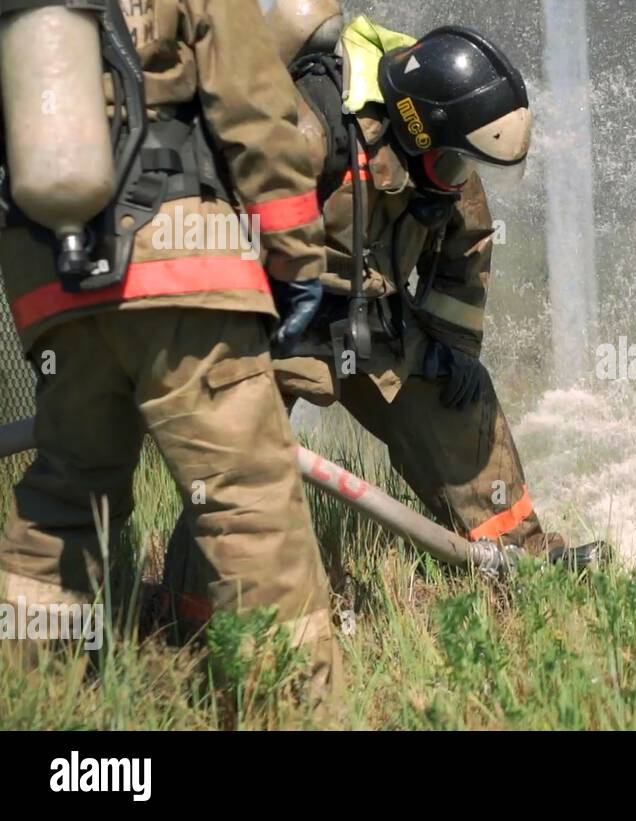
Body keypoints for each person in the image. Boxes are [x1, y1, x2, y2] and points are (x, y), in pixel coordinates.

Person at [165, 8, 600, 607]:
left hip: (373, 325)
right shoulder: (314, 127)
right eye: (452, 161)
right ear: (419, 129)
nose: (457, 177)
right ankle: (198, 607)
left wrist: (453, 348)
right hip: (275, 320)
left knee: (459, 408)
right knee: (236, 463)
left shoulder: (442, 162)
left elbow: (467, 244)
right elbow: (223, 205)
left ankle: (521, 565)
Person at [0, 0, 339, 696]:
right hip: (181, 260)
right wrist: (298, 254)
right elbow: (251, 103)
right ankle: (292, 704)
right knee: (245, 496)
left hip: (52, 284)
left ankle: (29, 694)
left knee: (65, 495)